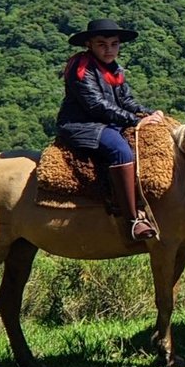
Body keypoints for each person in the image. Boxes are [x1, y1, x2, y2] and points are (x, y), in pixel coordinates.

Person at [55, 18, 165, 241]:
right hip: (82, 125)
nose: (109, 50)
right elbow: (96, 105)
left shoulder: (114, 69)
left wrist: (149, 113)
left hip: (108, 121)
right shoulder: (81, 68)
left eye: (114, 44)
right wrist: (135, 121)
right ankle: (133, 220)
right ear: (89, 45)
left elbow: (126, 100)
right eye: (102, 44)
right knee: (120, 151)